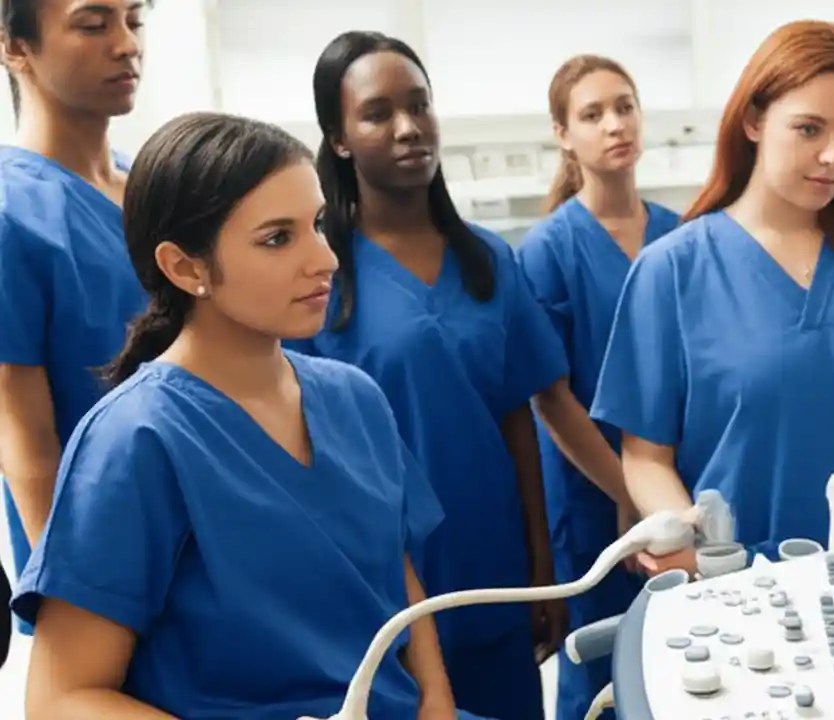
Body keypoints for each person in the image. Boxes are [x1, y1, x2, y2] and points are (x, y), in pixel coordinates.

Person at [11, 112, 465, 720]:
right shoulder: (137, 438)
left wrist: (434, 704)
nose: (324, 259)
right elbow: (61, 698)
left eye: (319, 226)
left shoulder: (356, 399)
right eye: (278, 238)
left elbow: (398, 582)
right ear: (186, 267)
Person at [298, 31, 620, 720]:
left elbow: (520, 418)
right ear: (341, 138)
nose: (410, 127)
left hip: (494, 575)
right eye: (379, 113)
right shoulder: (323, 275)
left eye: (420, 105)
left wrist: (542, 570)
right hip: (382, 585)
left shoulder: (486, 261)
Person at [590, 20, 834, 578]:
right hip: (736, 591)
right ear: (753, 120)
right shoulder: (672, 271)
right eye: (809, 129)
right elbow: (646, 455)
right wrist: (689, 540)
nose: (833, 157)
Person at [516, 54, 681, 720]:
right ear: (563, 134)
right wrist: (627, 492)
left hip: (674, 483)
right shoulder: (549, 249)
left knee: (677, 660)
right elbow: (551, 398)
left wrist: (659, 497)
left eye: (625, 105)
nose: (616, 123)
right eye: (593, 114)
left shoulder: (682, 234)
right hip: (594, 499)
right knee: (601, 673)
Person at [0, 0, 148, 635]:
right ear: (14, 46)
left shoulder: (157, 187)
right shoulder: (14, 213)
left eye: (135, 20)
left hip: (217, 543)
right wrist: (72, 612)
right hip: (106, 571)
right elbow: (23, 435)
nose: (127, 45)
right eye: (93, 24)